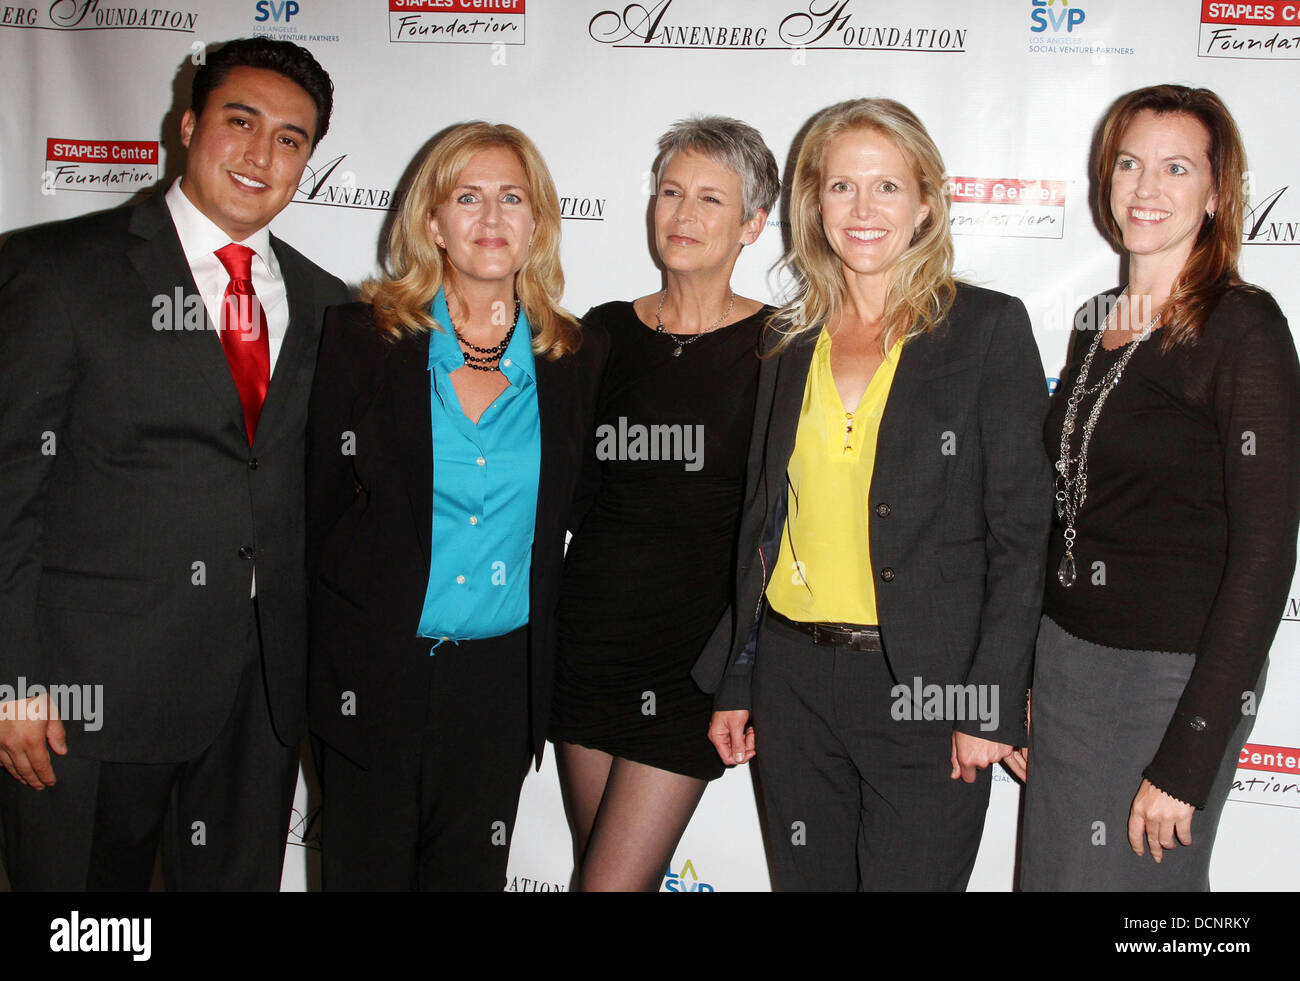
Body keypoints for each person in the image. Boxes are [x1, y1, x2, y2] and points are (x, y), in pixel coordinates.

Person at [0, 37, 347, 890]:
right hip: (86, 699)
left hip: (257, 703)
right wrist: (13, 683)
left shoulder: (329, 304)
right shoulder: (58, 271)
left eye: (292, 138)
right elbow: (9, 492)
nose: (263, 153)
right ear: (188, 125)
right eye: (241, 121)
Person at [694, 98, 1053, 891]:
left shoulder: (988, 328)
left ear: (925, 201)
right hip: (792, 682)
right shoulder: (789, 338)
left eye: (887, 187)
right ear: (813, 204)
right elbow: (764, 523)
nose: (863, 210)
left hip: (929, 687)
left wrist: (985, 700)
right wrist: (739, 677)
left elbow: (1023, 532)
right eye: (840, 187)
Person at [306, 122, 606, 891]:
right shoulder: (359, 339)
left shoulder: (573, 358)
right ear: (431, 222)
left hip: (500, 686)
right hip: (374, 674)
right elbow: (314, 511)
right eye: (467, 198)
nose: (492, 218)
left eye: (513, 197)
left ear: (537, 222)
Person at [1016, 85, 1300, 891]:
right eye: (1131, 164)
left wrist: (1189, 753)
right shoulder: (1091, 318)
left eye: (1176, 168)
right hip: (1066, 662)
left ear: (1215, 193)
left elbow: (1265, 555)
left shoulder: (1244, 328)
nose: (1146, 188)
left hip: (1170, 680)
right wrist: (1032, 675)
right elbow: (1066, 512)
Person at [550, 116, 778, 891]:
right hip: (588, 638)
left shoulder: (782, 348)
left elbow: (777, 521)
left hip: (693, 658)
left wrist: (744, 671)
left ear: (752, 223)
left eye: (710, 199)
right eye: (671, 192)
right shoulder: (604, 332)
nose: (682, 215)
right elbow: (567, 491)